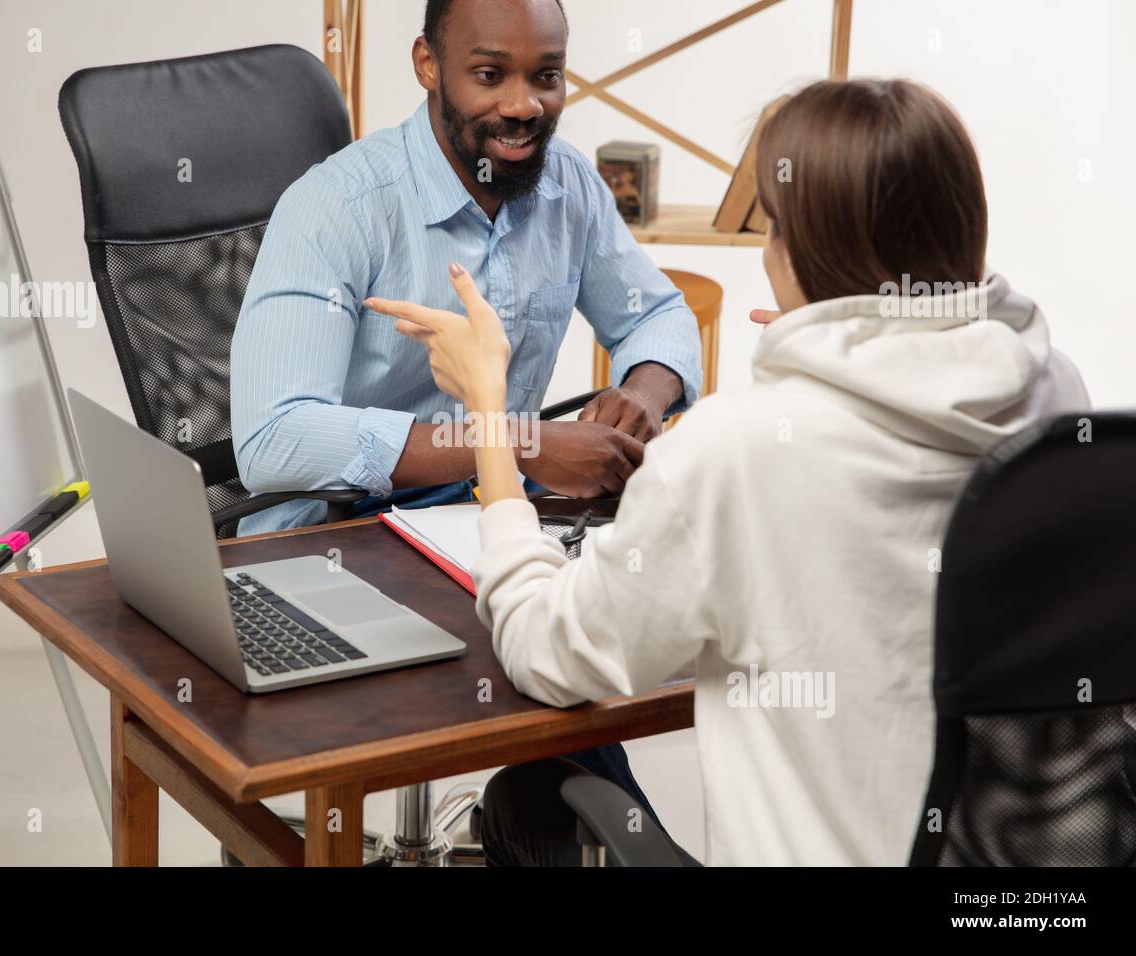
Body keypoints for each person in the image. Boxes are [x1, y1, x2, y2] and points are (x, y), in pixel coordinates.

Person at [365, 78, 1091, 866]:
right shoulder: (1058, 394)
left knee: (526, 801)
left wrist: (492, 422)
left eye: (773, 230)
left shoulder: (736, 452)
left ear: (798, 252)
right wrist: (848, 340)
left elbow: (548, 654)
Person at [230, 0, 701, 830]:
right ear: (427, 65)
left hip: (492, 517)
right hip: (339, 537)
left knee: (589, 674)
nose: (523, 104)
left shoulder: (569, 187)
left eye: (546, 77)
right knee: (556, 672)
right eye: (490, 75)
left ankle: (552, 830)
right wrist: (514, 442)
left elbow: (657, 317)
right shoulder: (338, 206)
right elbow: (273, 439)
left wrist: (645, 391)